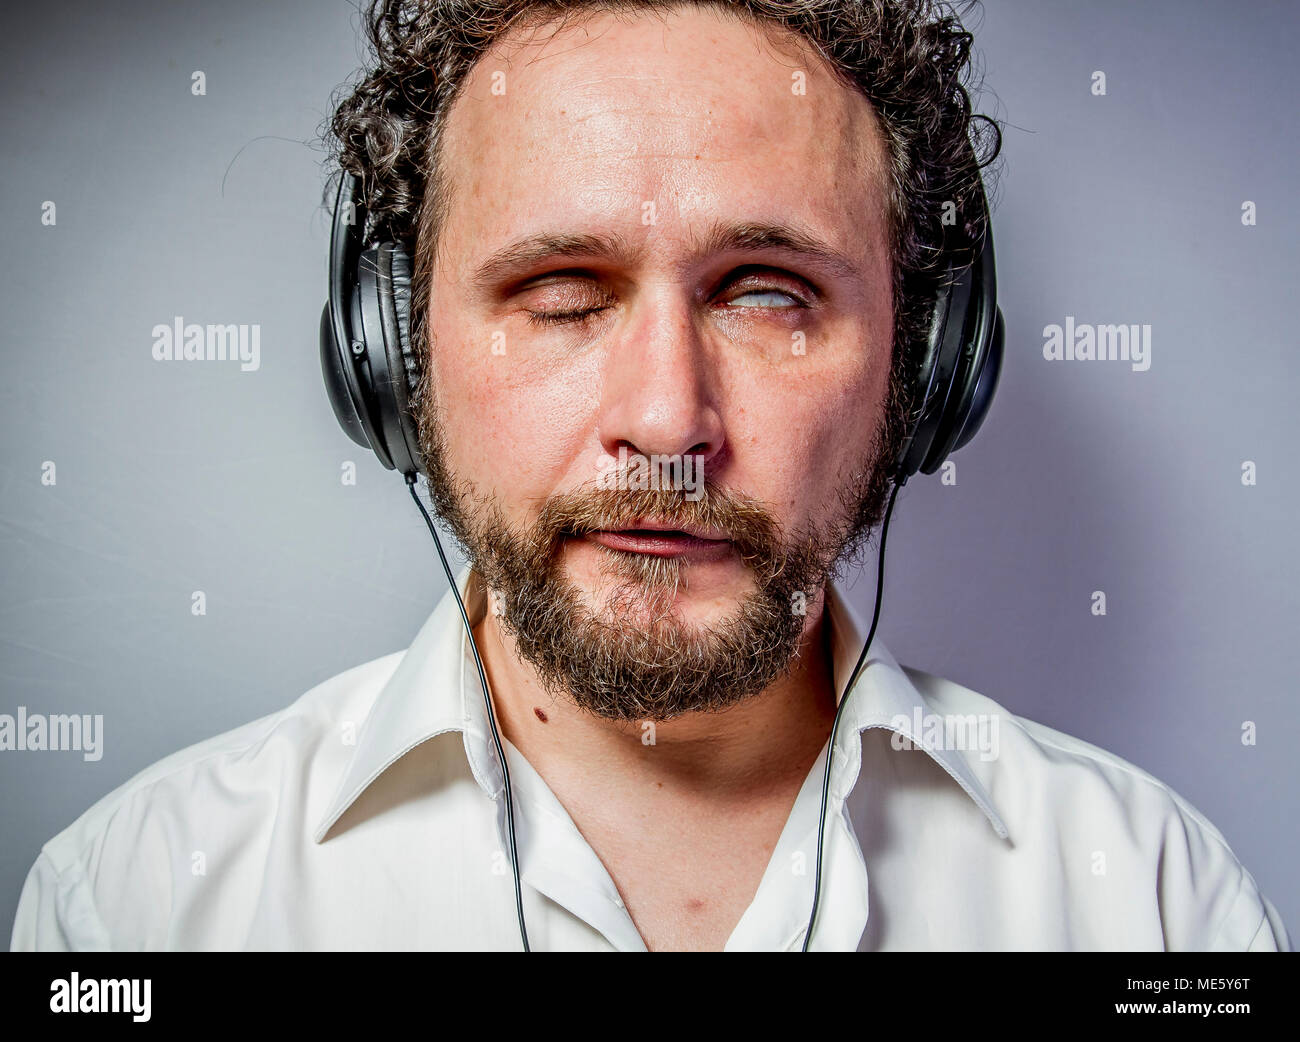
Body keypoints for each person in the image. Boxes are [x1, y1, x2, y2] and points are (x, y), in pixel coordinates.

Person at [10, 0, 1289, 951]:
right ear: (394, 358)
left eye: (770, 295)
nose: (666, 418)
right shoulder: (134, 906)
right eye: (562, 296)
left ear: (926, 366)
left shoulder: (1155, 903)